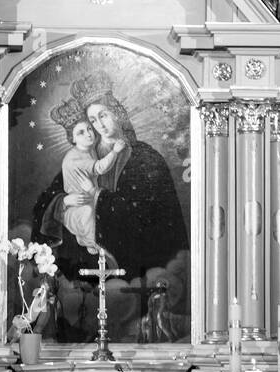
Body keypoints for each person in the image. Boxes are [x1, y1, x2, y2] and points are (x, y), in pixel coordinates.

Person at [33, 72, 187, 279]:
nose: (100, 125)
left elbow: (152, 217)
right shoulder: (85, 155)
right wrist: (63, 201)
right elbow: (47, 199)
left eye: (103, 115)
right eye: (93, 120)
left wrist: (96, 195)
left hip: (135, 266)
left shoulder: (145, 157)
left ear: (117, 112)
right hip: (87, 268)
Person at [50, 98, 126, 258]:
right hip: (78, 207)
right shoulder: (75, 157)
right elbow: (99, 167)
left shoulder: (90, 150)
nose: (89, 134)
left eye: (89, 128)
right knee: (88, 213)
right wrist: (115, 151)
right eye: (81, 132)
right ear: (73, 139)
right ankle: (89, 242)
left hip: (90, 201)